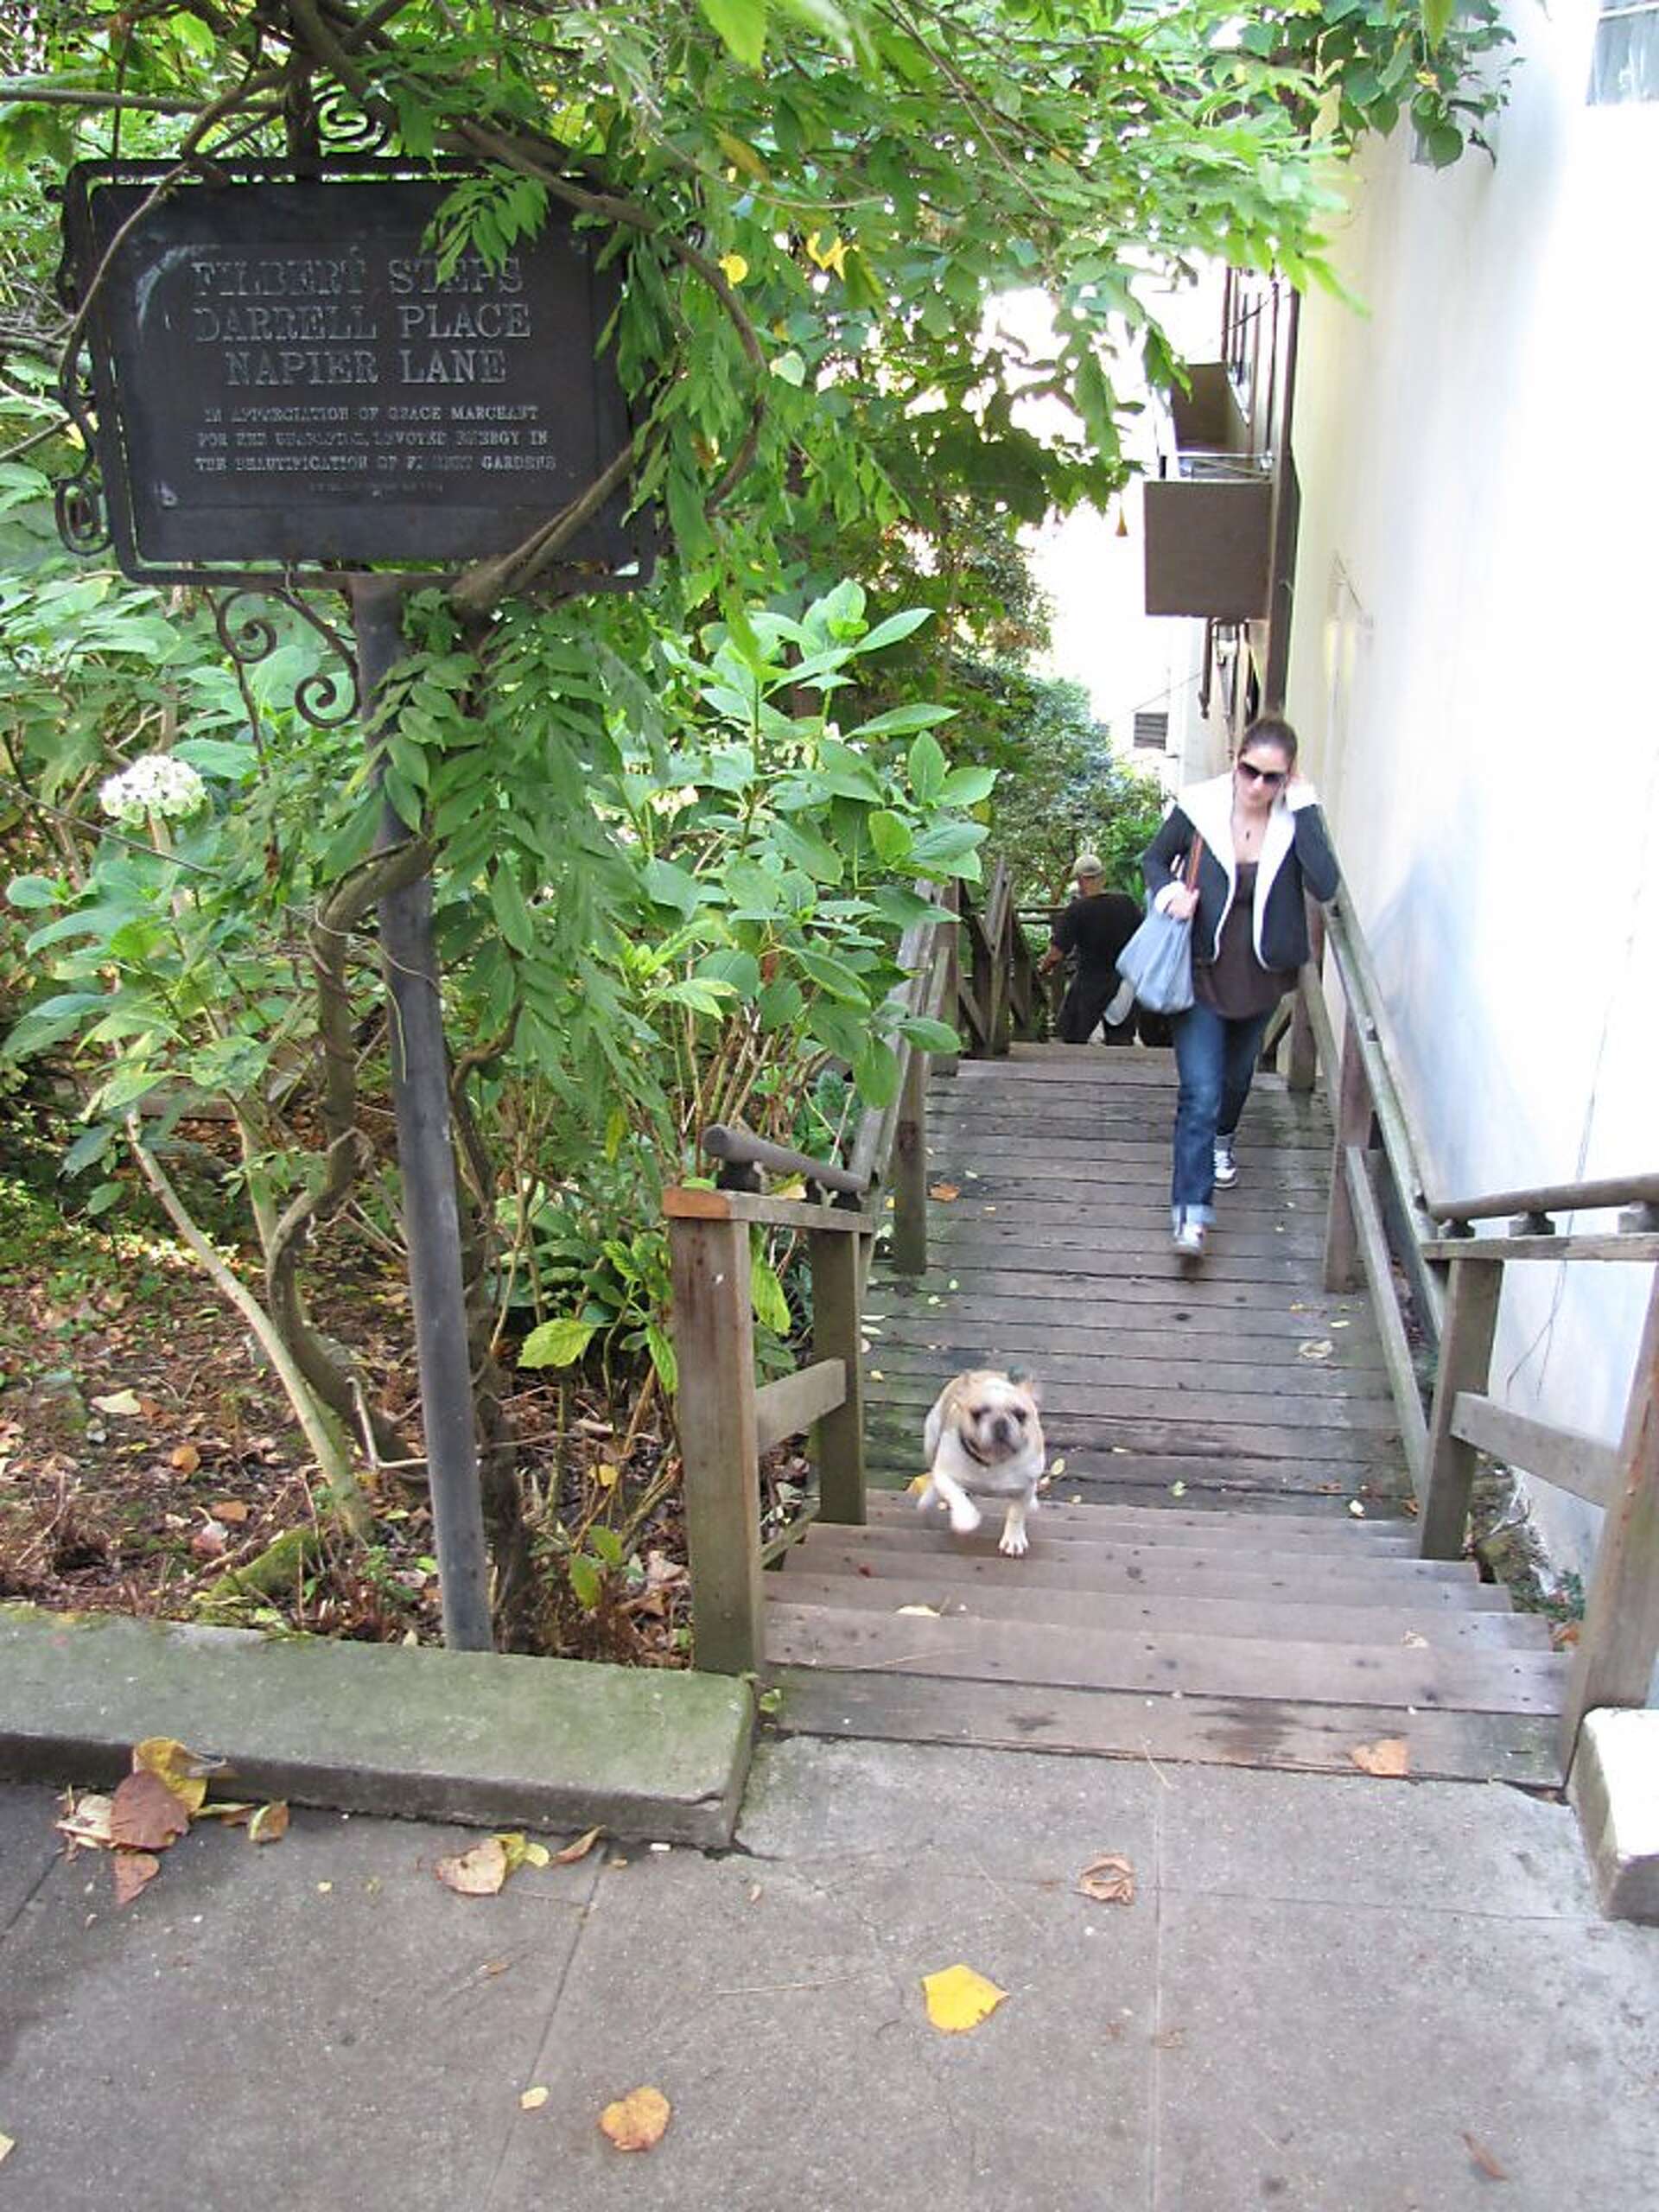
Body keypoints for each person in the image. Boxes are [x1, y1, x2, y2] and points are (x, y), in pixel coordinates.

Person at [1141, 716, 1339, 1258]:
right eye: (1250, 770)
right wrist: (1169, 896)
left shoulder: (1292, 818)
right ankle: (1190, 1215)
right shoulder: (1201, 806)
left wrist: (1305, 805)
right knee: (1199, 1093)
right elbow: (1154, 860)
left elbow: (1325, 883)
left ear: (1288, 776)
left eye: (1271, 777)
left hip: (1260, 978)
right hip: (1200, 970)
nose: (1257, 786)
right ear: (1236, 759)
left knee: (1234, 1081)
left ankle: (1225, 1139)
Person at [1037, 852, 1141, 1045]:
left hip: (1089, 982)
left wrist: (1040, 971)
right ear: (1102, 877)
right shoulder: (1126, 903)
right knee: (1121, 1040)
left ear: (1079, 880)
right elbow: (1143, 939)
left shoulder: (1076, 910)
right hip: (1125, 981)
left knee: (1071, 1037)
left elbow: (1056, 954)